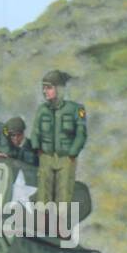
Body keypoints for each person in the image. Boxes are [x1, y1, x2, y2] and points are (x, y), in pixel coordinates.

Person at [34, 69, 86, 206]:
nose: (45, 91)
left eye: (49, 88)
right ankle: (43, 224)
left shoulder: (76, 109)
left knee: (63, 195)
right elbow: (36, 132)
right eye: (43, 88)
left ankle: (59, 225)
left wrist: (72, 154)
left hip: (66, 158)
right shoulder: (42, 110)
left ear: (60, 88)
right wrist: (38, 149)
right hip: (46, 157)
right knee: (43, 194)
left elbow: (81, 134)